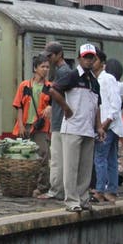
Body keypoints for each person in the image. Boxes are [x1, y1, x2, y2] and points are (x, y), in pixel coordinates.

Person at [46, 43, 104, 212]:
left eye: (91, 57)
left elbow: (97, 105)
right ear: (79, 58)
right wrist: (66, 108)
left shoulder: (94, 82)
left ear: (94, 59)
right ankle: (72, 201)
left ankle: (83, 199)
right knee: (70, 167)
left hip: (87, 129)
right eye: (85, 57)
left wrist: (99, 126)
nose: (88, 60)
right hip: (72, 128)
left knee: (85, 168)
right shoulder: (72, 76)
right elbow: (53, 90)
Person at [12, 54, 51, 197]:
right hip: (26, 126)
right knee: (24, 157)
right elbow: (19, 106)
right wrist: (21, 125)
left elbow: (53, 105)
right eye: (43, 67)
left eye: (47, 67)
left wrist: (50, 108)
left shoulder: (50, 87)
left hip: (41, 127)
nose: (45, 70)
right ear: (35, 68)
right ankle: (25, 185)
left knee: (42, 155)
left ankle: (42, 187)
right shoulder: (25, 85)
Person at [39, 42, 74, 201]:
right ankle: (59, 190)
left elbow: (59, 95)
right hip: (60, 119)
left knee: (57, 159)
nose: (48, 60)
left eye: (50, 56)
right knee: (59, 158)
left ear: (59, 54)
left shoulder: (63, 72)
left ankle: (56, 190)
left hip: (61, 121)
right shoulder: (63, 71)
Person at [93, 50, 123, 203]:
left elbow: (116, 103)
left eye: (95, 59)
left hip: (108, 125)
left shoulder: (107, 78)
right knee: (110, 158)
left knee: (100, 158)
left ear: (102, 62)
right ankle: (111, 189)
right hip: (108, 125)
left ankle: (100, 190)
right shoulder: (95, 78)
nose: (92, 61)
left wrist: (106, 123)